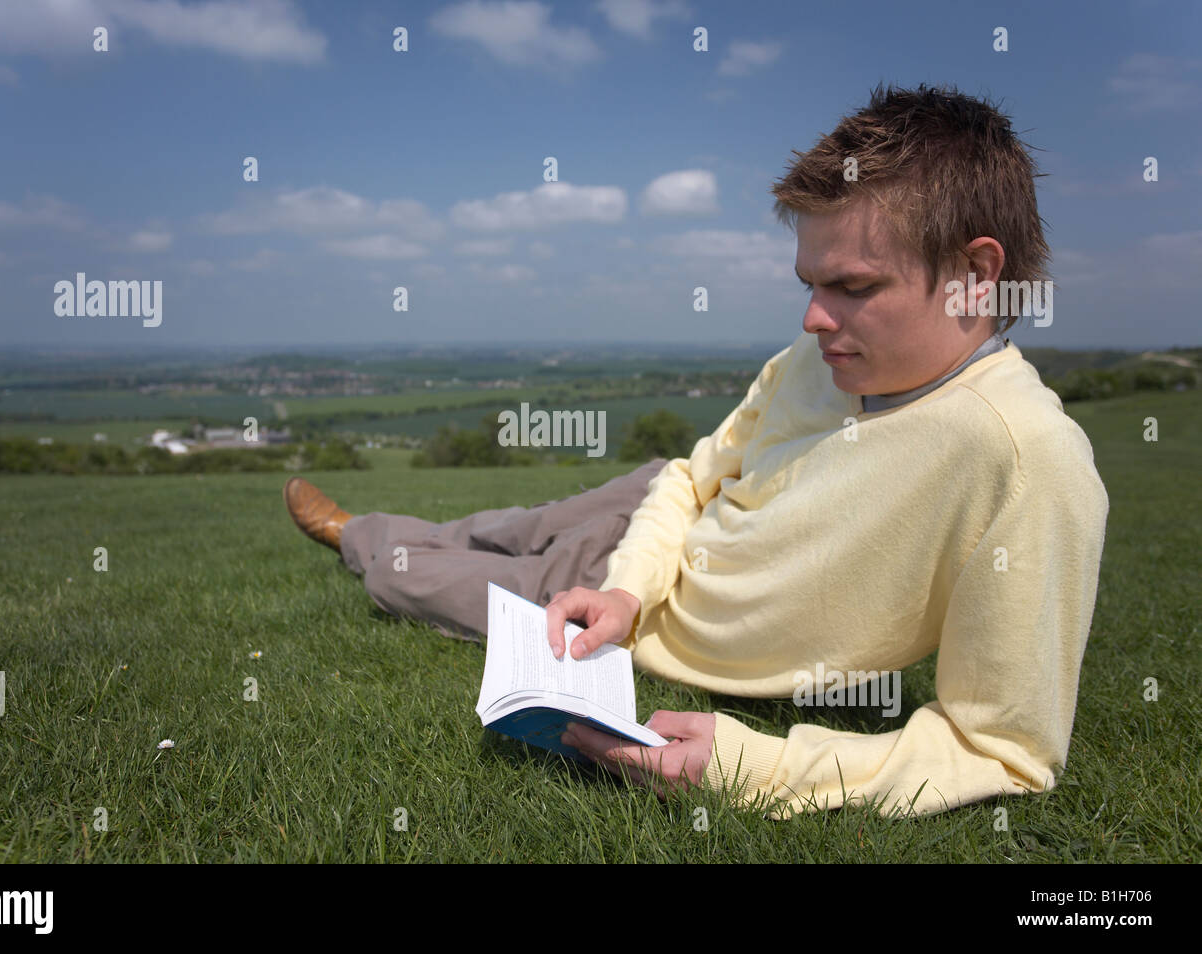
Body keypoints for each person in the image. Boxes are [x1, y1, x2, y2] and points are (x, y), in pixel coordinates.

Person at [284, 83, 1108, 819]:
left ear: (974, 274)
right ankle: (439, 527)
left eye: (853, 287)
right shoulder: (815, 360)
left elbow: (1004, 748)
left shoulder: (1027, 463)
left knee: (408, 577)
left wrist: (763, 763)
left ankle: (355, 536)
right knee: (518, 520)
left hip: (657, 615)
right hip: (649, 532)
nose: (814, 320)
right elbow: (687, 474)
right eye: (808, 285)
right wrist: (628, 590)